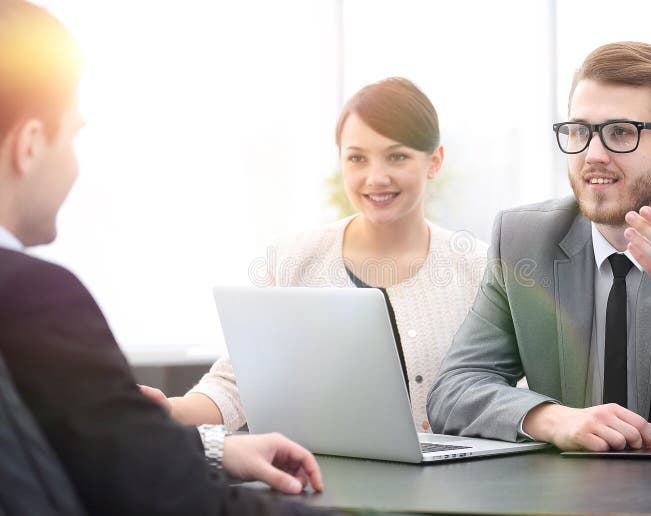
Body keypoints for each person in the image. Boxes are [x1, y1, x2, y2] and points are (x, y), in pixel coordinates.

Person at [0, 2, 330, 514]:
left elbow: (81, 441)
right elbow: (176, 502)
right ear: (30, 145)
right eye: (74, 135)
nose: (74, 162)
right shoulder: (32, 296)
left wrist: (216, 447)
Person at [427, 41, 651, 451]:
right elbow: (453, 390)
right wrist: (552, 419)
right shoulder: (521, 238)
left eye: (621, 132)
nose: (593, 154)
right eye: (580, 131)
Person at [142, 77, 488, 434]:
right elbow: (240, 381)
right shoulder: (294, 258)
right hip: (320, 480)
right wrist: (169, 410)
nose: (375, 177)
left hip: (455, 480)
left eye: (397, 156)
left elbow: (506, 390)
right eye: (357, 159)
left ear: (434, 162)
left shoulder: (478, 267)